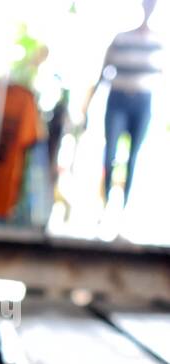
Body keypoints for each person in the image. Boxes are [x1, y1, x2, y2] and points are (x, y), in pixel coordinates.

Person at [88, 0, 164, 208]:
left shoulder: (159, 42)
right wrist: (89, 103)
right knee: (110, 151)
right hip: (118, 100)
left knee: (133, 157)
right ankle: (105, 203)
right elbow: (103, 72)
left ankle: (122, 208)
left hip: (142, 102)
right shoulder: (121, 38)